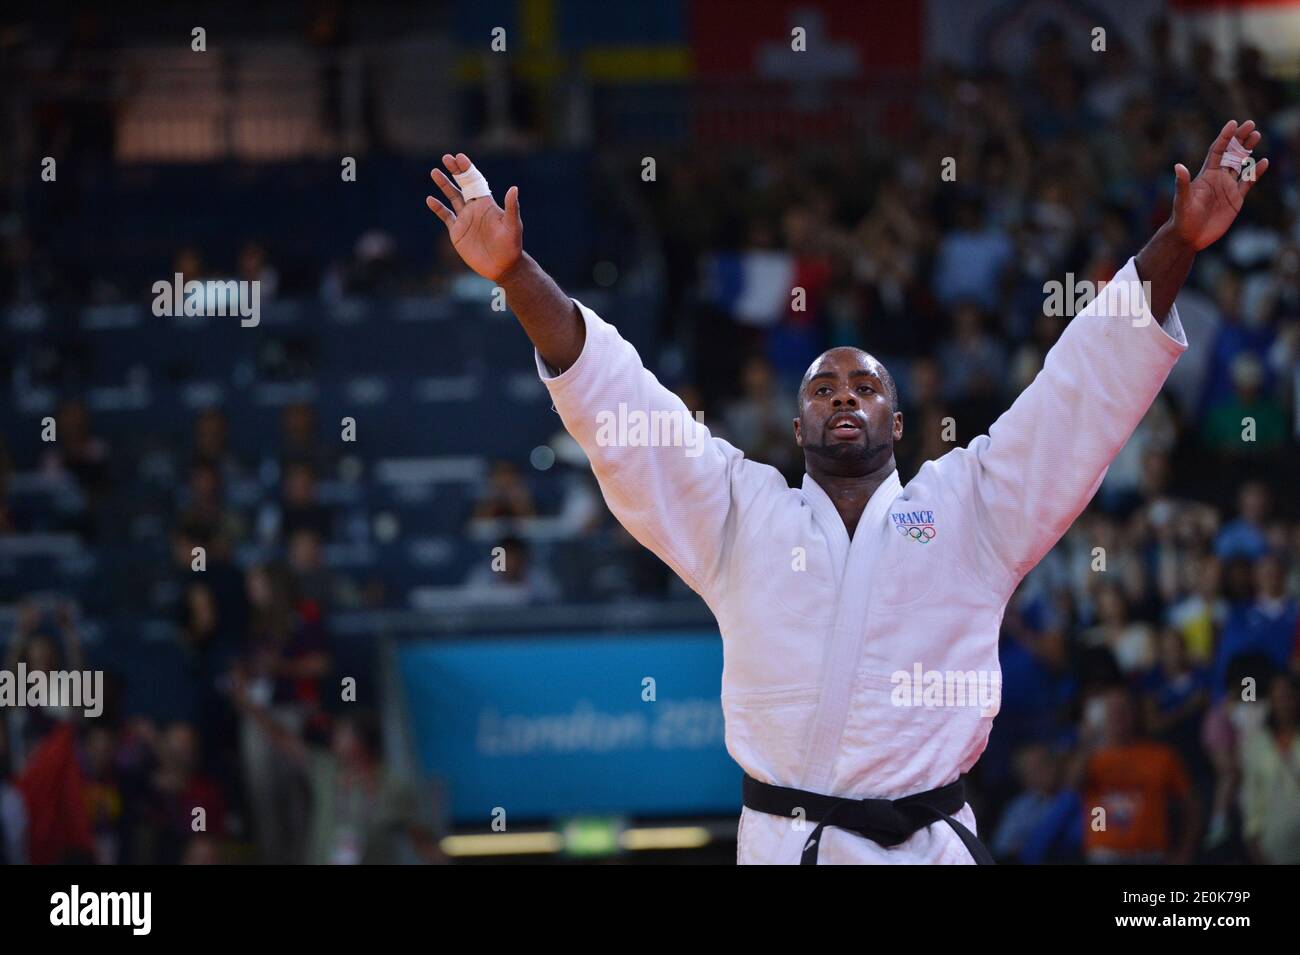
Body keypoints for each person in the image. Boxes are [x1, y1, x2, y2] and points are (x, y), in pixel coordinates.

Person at [426, 120, 1268, 864]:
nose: (842, 397)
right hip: (792, 845)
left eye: (864, 388)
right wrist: (515, 271)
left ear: (897, 423)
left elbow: (1081, 389)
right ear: (796, 431)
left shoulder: (972, 508)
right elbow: (619, 403)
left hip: (932, 845)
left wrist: (1179, 242)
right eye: (822, 389)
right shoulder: (739, 514)